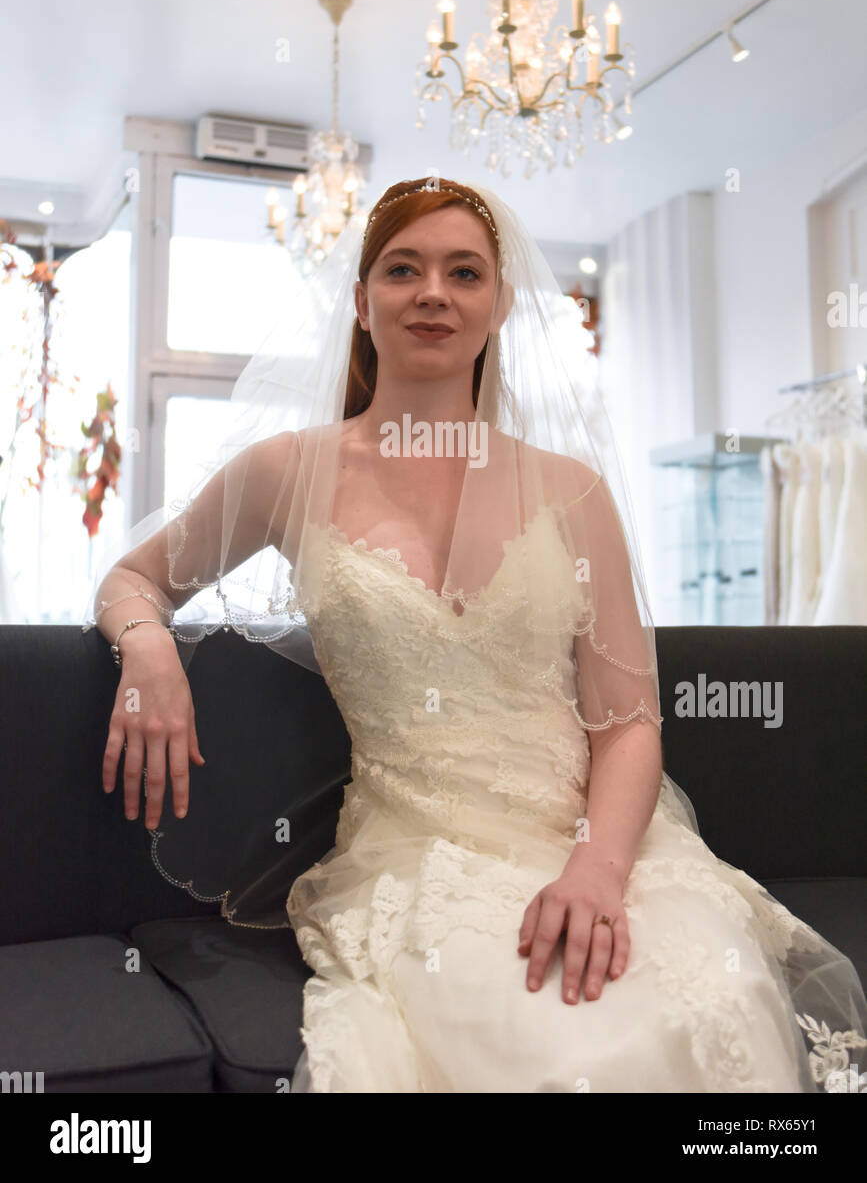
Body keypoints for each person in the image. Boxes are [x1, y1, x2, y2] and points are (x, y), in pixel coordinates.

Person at [85, 177, 866, 1093]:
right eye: (402, 269)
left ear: (496, 305)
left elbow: (628, 725)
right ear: (361, 302)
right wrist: (146, 647)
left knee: (714, 998)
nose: (432, 292)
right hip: (422, 851)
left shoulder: (571, 491)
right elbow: (135, 576)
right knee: (554, 1041)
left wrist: (597, 871)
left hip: (602, 840)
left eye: (464, 272)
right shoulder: (285, 473)